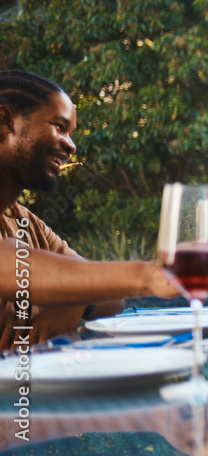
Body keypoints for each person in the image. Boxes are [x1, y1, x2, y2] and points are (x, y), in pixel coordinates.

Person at [0, 70, 177, 350]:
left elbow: (107, 292)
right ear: (5, 122)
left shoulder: (23, 221)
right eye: (59, 127)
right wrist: (153, 276)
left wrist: (79, 303)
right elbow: (9, 265)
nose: (71, 146)